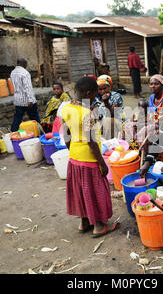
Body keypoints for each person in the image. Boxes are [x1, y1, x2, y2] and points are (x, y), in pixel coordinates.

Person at [61, 76, 120, 238]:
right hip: (90, 159)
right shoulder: (87, 114)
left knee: (81, 190)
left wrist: (72, 150)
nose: (96, 98)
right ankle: (99, 226)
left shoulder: (66, 108)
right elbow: (92, 141)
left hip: (74, 158)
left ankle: (84, 222)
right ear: (87, 93)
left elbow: (65, 133)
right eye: (94, 95)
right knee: (96, 191)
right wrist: (102, 163)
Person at [10, 57, 41, 132]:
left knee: (17, 118)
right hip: (27, 101)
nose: (26, 65)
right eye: (26, 63)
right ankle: (41, 131)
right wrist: (30, 100)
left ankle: (12, 132)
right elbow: (28, 88)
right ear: (23, 63)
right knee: (35, 118)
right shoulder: (25, 73)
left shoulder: (12, 72)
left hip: (18, 100)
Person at [93, 75, 124, 139]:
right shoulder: (96, 98)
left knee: (108, 121)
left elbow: (113, 114)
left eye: (105, 88)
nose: (103, 91)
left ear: (110, 87)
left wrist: (106, 102)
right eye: (100, 89)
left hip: (114, 122)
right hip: (100, 122)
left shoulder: (116, 96)